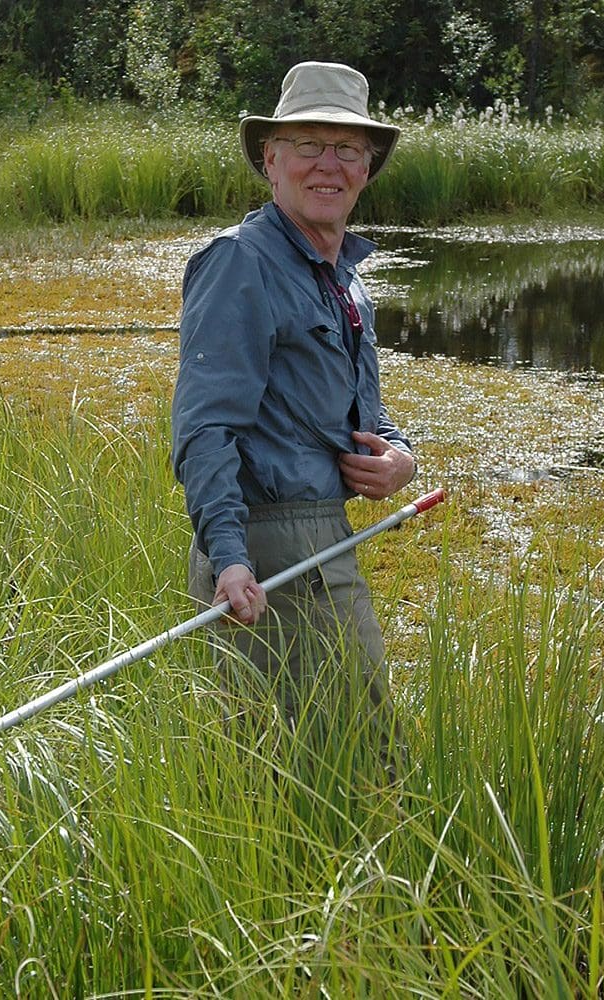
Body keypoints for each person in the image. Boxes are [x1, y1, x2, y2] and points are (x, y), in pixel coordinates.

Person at [170, 61, 415, 758]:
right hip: (265, 552)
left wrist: (399, 460)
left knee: (355, 760)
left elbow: (362, 417)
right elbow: (205, 425)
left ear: (367, 168)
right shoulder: (241, 262)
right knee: (307, 768)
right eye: (308, 145)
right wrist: (227, 556)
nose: (327, 165)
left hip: (327, 541)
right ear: (271, 161)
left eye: (347, 149)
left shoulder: (345, 280)